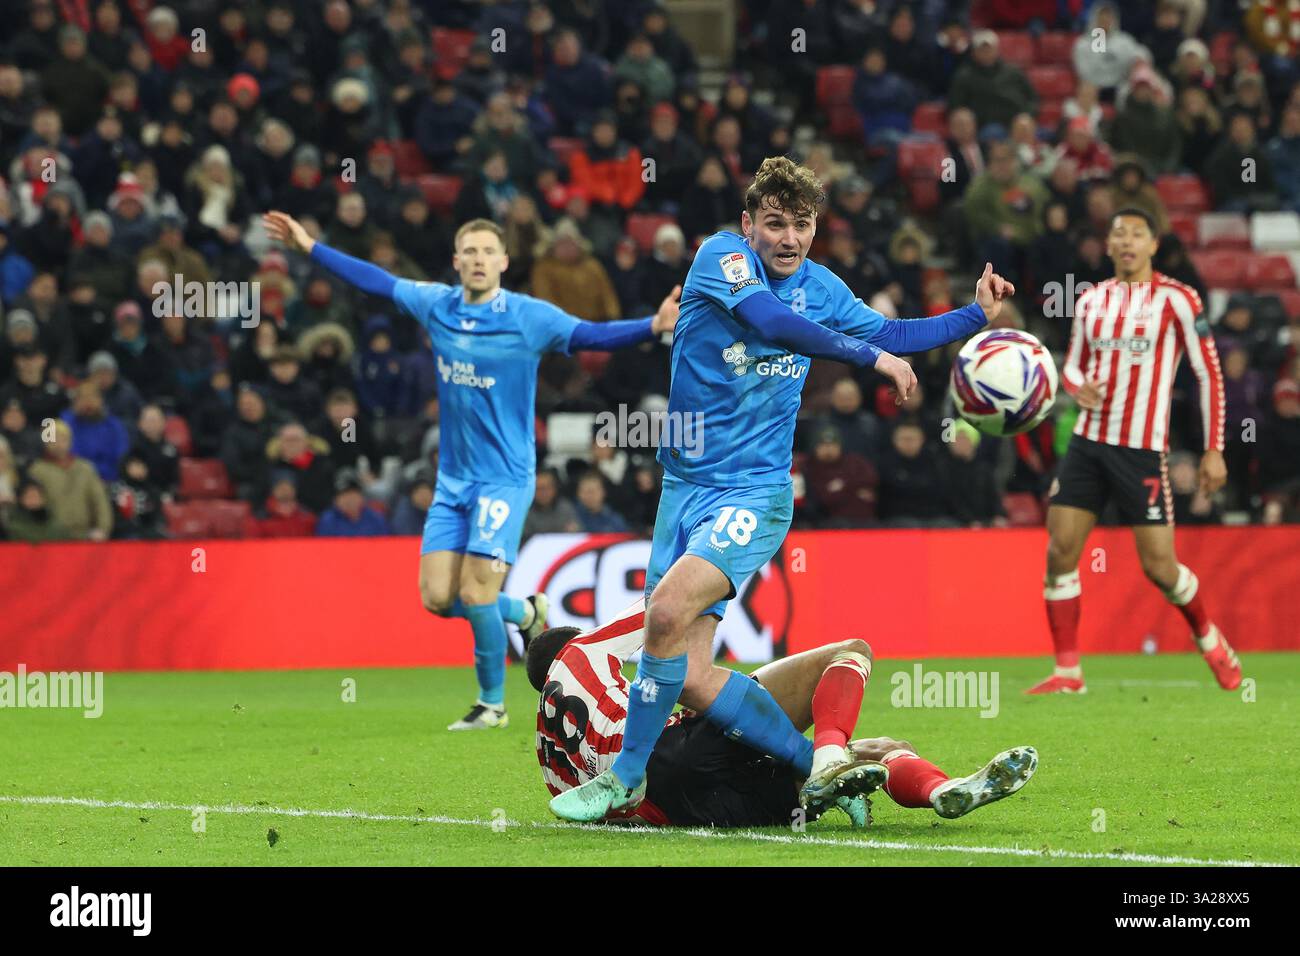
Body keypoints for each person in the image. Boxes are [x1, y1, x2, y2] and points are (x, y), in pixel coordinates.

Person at [550, 156, 1014, 822]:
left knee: (663, 614)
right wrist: (871, 359)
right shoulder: (721, 259)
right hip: (683, 489)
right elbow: (772, 323)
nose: (789, 238)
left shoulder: (821, 288)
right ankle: (819, 772)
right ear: (749, 225)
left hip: (754, 493)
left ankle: (627, 778)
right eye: (774, 224)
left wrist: (974, 314)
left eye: (801, 225)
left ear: (816, 229)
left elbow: (892, 332)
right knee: (695, 676)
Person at [262, 210, 681, 732]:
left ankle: (491, 705)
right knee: (438, 598)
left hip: (505, 478)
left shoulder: (528, 317)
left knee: (476, 594)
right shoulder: (437, 305)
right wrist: (310, 245)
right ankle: (526, 614)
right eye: (471, 252)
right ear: (457, 262)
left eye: (489, 252)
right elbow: (378, 281)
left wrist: (653, 325)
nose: (480, 261)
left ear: (504, 261)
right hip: (453, 482)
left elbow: (590, 335)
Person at [529, 601, 1038, 827]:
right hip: (673, 754)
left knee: (875, 755)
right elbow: (668, 610)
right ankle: (836, 757)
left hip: (684, 812)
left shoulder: (544, 748)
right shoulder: (580, 653)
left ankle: (940, 789)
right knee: (851, 649)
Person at [1032, 207, 1240, 695]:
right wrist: (1078, 387)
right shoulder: (1091, 301)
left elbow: (1208, 373)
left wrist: (1214, 449)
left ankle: (1208, 636)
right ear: (1108, 246)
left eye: (1137, 234)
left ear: (1154, 245)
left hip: (1141, 450)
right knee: (1060, 550)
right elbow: (1074, 366)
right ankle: (1068, 673)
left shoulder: (1178, 300)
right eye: (1118, 234)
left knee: (1160, 568)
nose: (1126, 242)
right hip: (1087, 443)